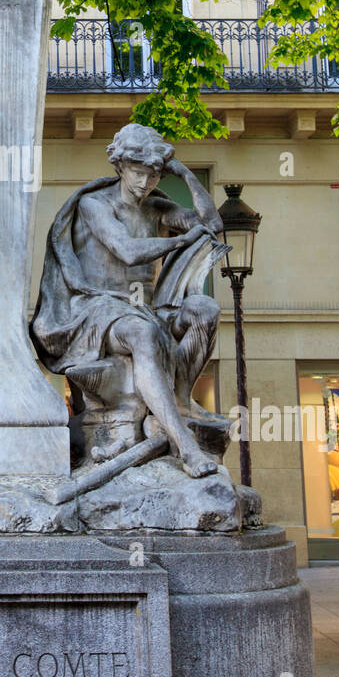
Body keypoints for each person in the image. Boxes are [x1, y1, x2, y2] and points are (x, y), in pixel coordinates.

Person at [31, 123, 227, 479]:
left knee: (205, 309)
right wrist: (179, 242)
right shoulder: (95, 205)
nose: (144, 183)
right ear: (120, 167)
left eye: (153, 176)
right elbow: (127, 250)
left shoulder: (157, 207)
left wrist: (183, 173)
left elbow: (211, 224)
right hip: (97, 309)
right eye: (138, 173)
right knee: (141, 333)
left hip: (145, 308)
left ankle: (179, 401)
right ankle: (187, 447)